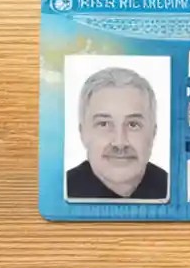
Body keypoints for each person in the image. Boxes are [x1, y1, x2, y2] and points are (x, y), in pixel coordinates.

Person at [66, 67, 168, 199]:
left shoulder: (176, 191)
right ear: (82, 133)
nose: (120, 143)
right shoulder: (57, 193)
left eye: (133, 125)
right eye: (104, 124)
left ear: (153, 133)